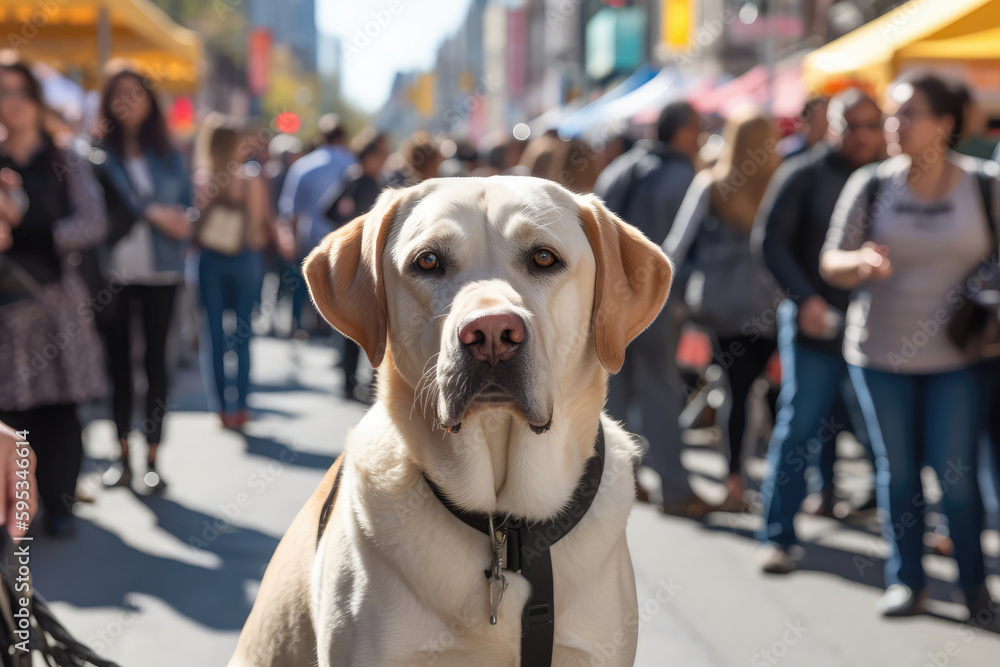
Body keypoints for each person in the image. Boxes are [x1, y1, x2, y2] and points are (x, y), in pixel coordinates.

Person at [820, 71, 999, 619]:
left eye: (906, 114)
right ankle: (908, 581)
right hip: (880, 355)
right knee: (897, 473)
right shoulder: (871, 184)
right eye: (891, 113)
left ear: (943, 125)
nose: (892, 126)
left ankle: (974, 588)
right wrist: (861, 263)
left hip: (961, 359)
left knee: (958, 475)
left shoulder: (985, 184)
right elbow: (831, 260)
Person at [753, 89, 884, 573]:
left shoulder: (889, 176)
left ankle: (906, 548)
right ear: (832, 125)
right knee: (800, 427)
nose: (863, 135)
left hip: (882, 329)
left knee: (886, 437)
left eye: (872, 125)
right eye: (852, 125)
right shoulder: (803, 173)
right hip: (815, 323)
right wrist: (804, 298)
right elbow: (769, 242)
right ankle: (777, 534)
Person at [0, 56, 107, 535]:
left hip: (55, 299)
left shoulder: (66, 158)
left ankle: (61, 505)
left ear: (35, 100)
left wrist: (35, 232)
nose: (12, 103)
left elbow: (93, 221)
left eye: (20, 91)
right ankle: (19, 507)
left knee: (61, 407)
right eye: (3, 93)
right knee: (12, 410)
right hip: (5, 306)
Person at [592, 101, 711, 516]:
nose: (699, 137)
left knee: (614, 394)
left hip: (610, 304)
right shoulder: (684, 177)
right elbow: (694, 244)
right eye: (696, 128)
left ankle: (613, 481)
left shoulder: (618, 169)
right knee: (660, 392)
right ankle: (674, 489)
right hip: (658, 304)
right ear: (681, 132)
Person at [663, 108, 782, 512]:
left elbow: (675, 249)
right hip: (775, 305)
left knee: (736, 391)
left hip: (722, 305)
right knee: (781, 396)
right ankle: (791, 484)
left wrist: (674, 299)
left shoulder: (711, 184)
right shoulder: (781, 182)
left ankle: (734, 481)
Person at [96, 67, 192, 493]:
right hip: (111, 272)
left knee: (157, 365)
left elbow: (189, 211)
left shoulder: (169, 153)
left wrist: (180, 220)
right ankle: (121, 457)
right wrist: (154, 212)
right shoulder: (96, 152)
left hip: (162, 271)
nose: (128, 102)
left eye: (136, 93)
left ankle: (152, 458)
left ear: (151, 100)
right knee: (117, 366)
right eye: (119, 94)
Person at [193, 116, 290, 429]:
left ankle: (221, 408)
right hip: (246, 260)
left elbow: (195, 225)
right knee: (244, 334)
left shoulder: (204, 180)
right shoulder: (251, 178)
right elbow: (259, 226)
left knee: (214, 336)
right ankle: (242, 406)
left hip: (210, 259)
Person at [321, 130, 389, 400]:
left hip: (360, 263)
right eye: (382, 154)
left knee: (363, 324)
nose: (385, 159)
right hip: (362, 264)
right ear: (370, 157)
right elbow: (329, 210)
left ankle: (356, 382)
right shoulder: (362, 182)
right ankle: (357, 382)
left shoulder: (365, 180)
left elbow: (329, 211)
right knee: (366, 325)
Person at [277, 114, 355, 335]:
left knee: (303, 280)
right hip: (342, 237)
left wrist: (291, 238)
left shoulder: (304, 165)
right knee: (336, 286)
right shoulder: (353, 164)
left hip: (309, 237)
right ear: (343, 137)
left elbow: (290, 210)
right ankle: (330, 327)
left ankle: (297, 323)